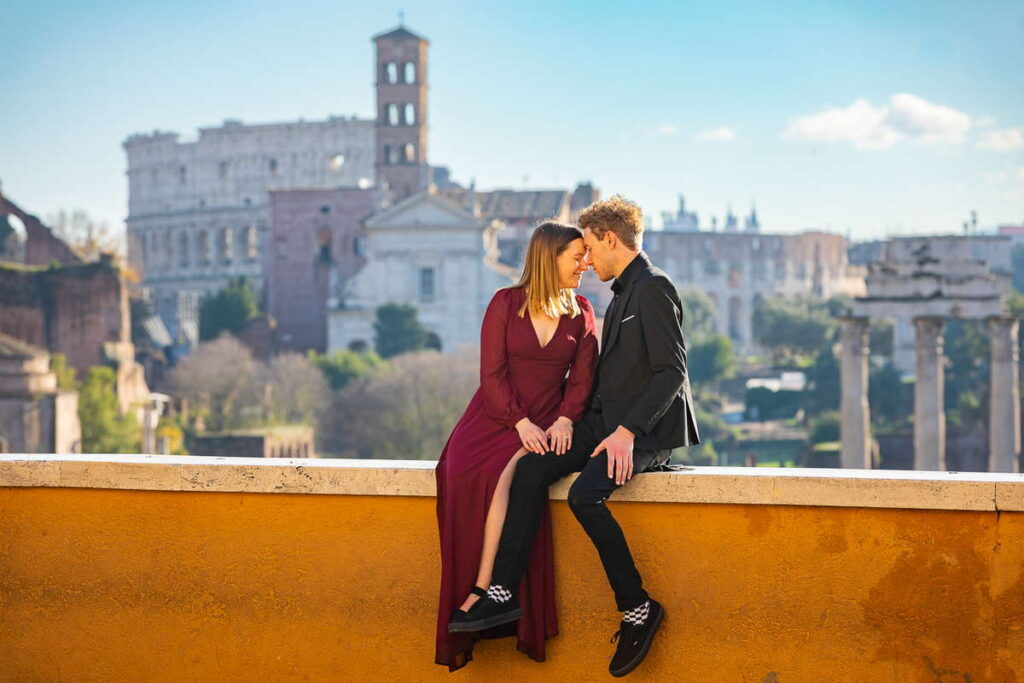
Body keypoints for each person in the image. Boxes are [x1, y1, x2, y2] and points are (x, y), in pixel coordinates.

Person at [447, 196, 700, 678]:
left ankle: (638, 609)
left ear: (609, 239)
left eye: (589, 248)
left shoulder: (653, 287)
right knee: (529, 468)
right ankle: (500, 591)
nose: (587, 259)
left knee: (586, 496)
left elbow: (672, 373)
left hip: (640, 434)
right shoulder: (623, 291)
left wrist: (627, 433)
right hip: (609, 424)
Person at [434, 221, 598, 671]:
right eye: (576, 256)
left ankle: (484, 591)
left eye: (586, 256)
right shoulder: (505, 303)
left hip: (547, 421)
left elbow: (582, 379)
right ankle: (485, 591)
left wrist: (565, 418)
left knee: (509, 471)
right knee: (465, 472)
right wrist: (519, 420)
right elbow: (491, 374)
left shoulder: (582, 310)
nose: (586, 264)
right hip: (494, 415)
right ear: (550, 257)